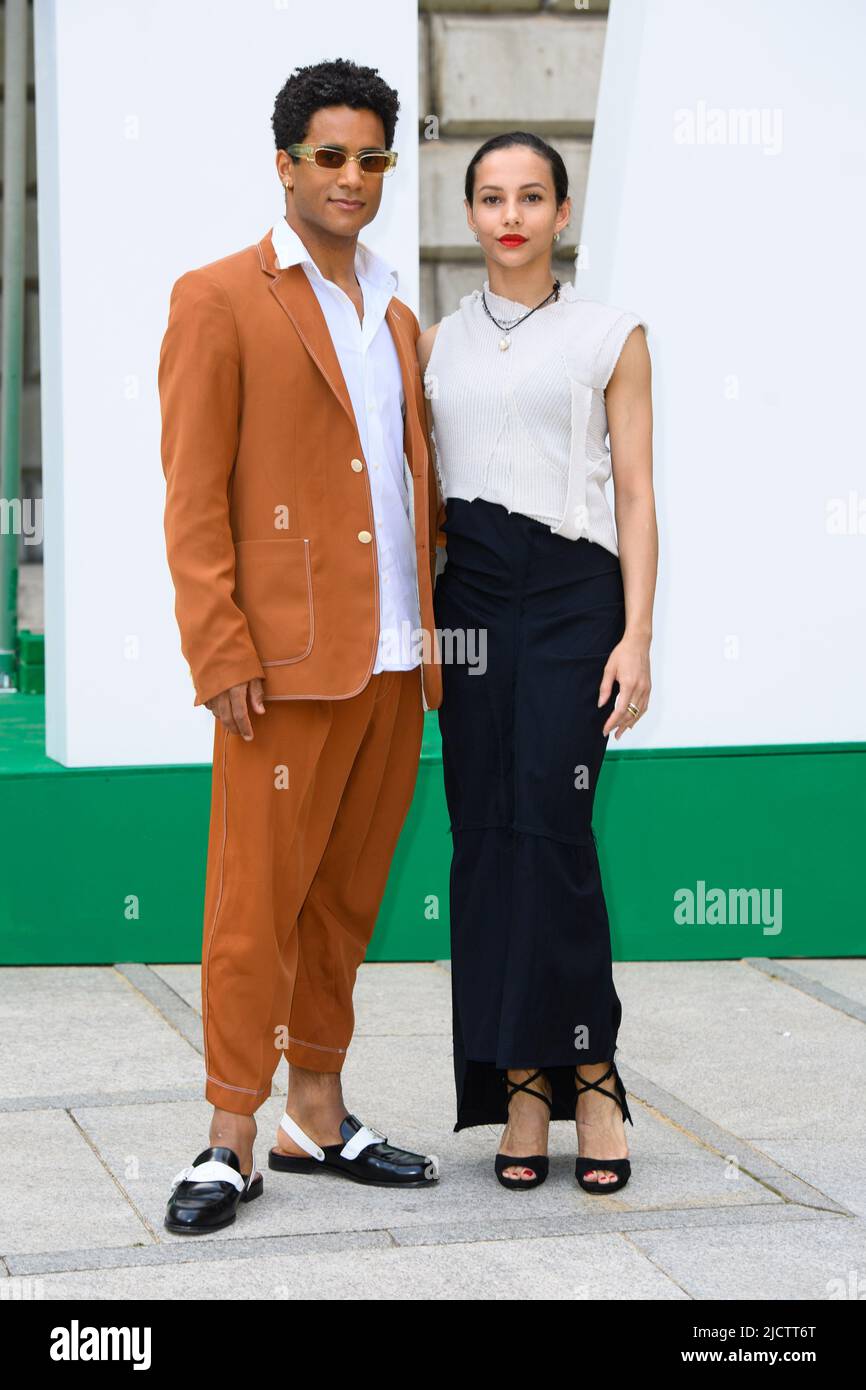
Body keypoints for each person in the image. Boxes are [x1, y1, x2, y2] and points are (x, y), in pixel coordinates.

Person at [158, 59, 443, 1234]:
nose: (351, 177)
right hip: (276, 671)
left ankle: (316, 1113)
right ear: (285, 166)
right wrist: (218, 646)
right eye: (328, 156)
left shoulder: (394, 310)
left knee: (341, 902)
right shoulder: (218, 297)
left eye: (371, 157)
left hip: (389, 663)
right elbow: (192, 493)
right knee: (252, 906)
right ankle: (231, 1132)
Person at [416, 131, 656, 1194]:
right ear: (468, 214)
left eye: (529, 196)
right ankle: (518, 1080)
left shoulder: (610, 334)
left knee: (552, 831)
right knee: (483, 837)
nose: (508, 214)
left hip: (572, 597)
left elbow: (639, 495)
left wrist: (636, 634)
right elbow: (418, 506)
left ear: (562, 213)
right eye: (488, 197)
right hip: (468, 595)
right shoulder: (431, 344)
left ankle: (590, 1072)